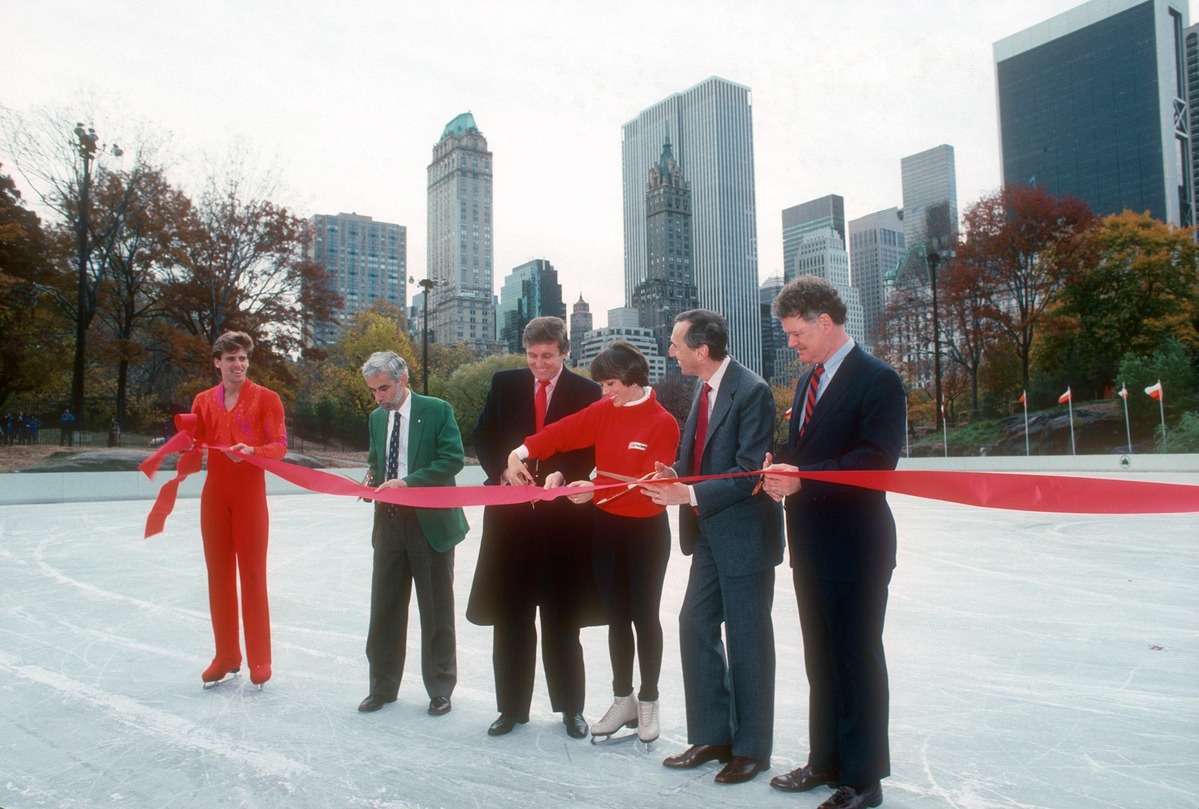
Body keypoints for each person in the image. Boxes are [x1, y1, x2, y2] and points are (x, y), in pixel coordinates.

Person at [761, 276, 905, 809]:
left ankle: (864, 779)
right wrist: (779, 465)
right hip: (811, 542)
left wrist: (804, 479)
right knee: (820, 659)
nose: (791, 343)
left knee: (855, 659)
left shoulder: (878, 380)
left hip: (856, 545)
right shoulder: (807, 382)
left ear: (825, 322)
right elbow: (805, 449)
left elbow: (876, 461)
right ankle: (825, 761)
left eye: (796, 333)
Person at [505, 340, 680, 745]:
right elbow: (563, 432)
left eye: (610, 384)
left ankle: (648, 700)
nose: (605, 392)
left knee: (644, 616)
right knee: (617, 616)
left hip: (645, 534)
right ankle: (623, 699)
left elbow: (647, 485)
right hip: (607, 530)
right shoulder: (604, 410)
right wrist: (521, 451)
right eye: (601, 385)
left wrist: (595, 488)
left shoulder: (663, 422)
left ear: (632, 380)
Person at [642, 309, 783, 785]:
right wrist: (675, 474)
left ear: (702, 350)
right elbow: (700, 459)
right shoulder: (702, 389)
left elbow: (747, 472)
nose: (671, 351)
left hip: (744, 536)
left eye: (676, 343)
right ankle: (712, 736)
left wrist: (688, 495)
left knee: (747, 641)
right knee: (695, 624)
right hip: (708, 534)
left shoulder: (753, 390)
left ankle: (752, 750)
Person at [467, 316, 604, 740]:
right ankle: (511, 709)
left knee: (563, 620)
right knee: (511, 619)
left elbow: (593, 446)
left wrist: (565, 473)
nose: (539, 364)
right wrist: (503, 471)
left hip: (563, 524)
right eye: (531, 356)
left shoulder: (588, 392)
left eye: (547, 356)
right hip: (510, 524)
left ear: (565, 352)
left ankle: (571, 710)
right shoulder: (504, 383)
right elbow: (483, 436)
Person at [357, 351, 469, 717]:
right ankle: (381, 687)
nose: (378, 397)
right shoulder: (377, 418)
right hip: (389, 524)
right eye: (373, 391)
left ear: (403, 379)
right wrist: (370, 482)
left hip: (430, 524)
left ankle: (440, 689)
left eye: (384, 388)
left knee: (436, 611)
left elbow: (451, 459)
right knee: (384, 609)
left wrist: (408, 483)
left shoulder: (437, 410)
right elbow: (376, 460)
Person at [190, 331, 287, 688]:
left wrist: (253, 452)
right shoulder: (203, 400)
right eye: (231, 358)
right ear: (217, 362)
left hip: (249, 496)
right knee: (218, 576)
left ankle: (260, 659)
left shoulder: (266, 398)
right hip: (214, 496)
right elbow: (196, 442)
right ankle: (226, 656)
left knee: (252, 575)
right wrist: (188, 444)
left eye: (243, 358)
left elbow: (279, 445)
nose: (238, 364)